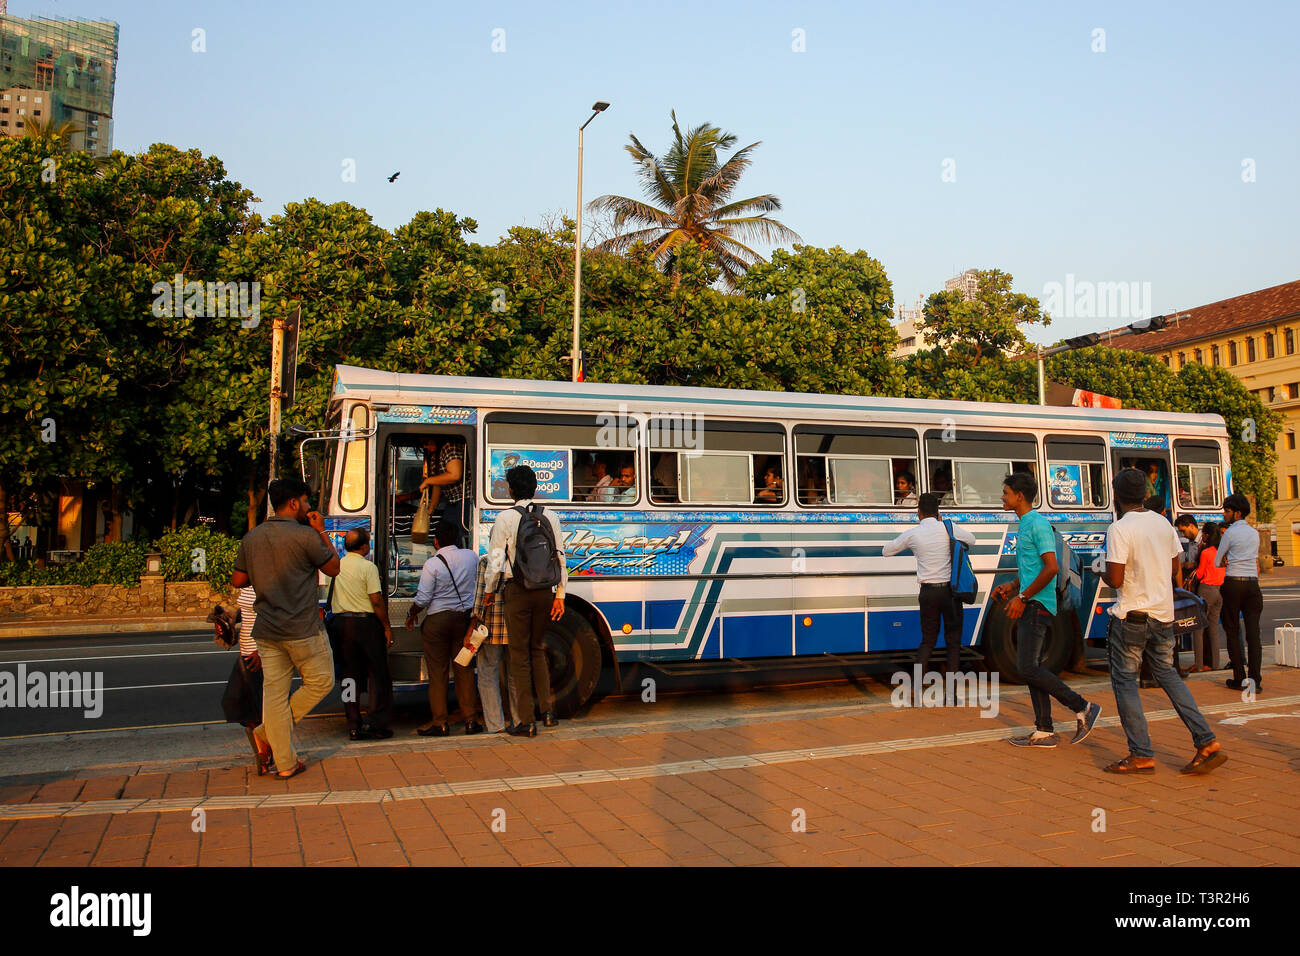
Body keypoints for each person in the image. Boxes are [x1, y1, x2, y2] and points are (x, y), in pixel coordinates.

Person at [1100, 468, 1225, 775]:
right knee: (1168, 675)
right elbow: (1173, 567)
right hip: (1163, 615)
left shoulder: (1119, 529)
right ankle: (1206, 741)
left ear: (1116, 496)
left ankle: (1141, 753)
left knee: (1126, 682)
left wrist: (1100, 570)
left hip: (1132, 616)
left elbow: (1116, 579)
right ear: (1145, 494)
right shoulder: (1163, 523)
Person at [230, 478, 340, 779]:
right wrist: (321, 530)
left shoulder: (252, 538)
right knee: (322, 681)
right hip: (303, 627)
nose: (308, 507)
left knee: (274, 695)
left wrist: (264, 571)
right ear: (293, 503)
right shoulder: (306, 536)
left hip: (267, 629)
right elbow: (333, 568)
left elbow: (239, 581)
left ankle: (285, 760)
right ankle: (267, 733)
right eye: (305, 502)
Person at [990, 472, 1102, 748]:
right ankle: (1044, 730)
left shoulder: (1037, 524)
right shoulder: (1026, 524)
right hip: (1032, 600)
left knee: (1027, 666)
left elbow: (1051, 567)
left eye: (1006, 493)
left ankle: (1084, 707)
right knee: (1032, 667)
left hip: (1039, 604)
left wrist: (1024, 597)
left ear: (1020, 496)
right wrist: (1012, 587)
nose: (1002, 498)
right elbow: (1033, 570)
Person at [485, 465, 567, 737]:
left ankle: (526, 722)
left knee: (518, 655)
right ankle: (548, 712)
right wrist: (560, 594)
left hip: (517, 591)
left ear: (510, 490)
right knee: (537, 649)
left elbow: (496, 560)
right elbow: (559, 555)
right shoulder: (550, 517)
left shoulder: (505, 518)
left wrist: (488, 590)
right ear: (535, 487)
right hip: (545, 591)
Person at [883, 492, 975, 682]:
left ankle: (917, 688)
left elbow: (886, 551)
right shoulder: (948, 528)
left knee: (928, 640)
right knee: (953, 642)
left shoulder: (913, 533)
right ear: (937, 511)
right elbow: (972, 540)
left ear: (919, 512)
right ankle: (952, 693)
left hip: (928, 594)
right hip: (951, 592)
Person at [405, 519, 482, 736]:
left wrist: (411, 614)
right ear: (457, 538)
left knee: (438, 673)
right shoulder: (471, 556)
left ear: (436, 542)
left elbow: (423, 598)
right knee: (464, 669)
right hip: (464, 621)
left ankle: (440, 722)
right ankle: (470, 720)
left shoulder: (432, 564)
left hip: (437, 622)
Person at [329, 528, 395, 740]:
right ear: (365, 547)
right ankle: (376, 722)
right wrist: (386, 626)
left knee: (349, 676)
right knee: (378, 674)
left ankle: (353, 723)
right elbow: (376, 600)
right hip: (366, 624)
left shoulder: (337, 565)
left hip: (342, 624)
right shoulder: (368, 567)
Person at [1216, 493, 1263, 692]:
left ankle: (1239, 677)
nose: (1224, 515)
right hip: (1253, 585)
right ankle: (1255, 681)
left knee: (1233, 631)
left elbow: (1218, 561)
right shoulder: (1254, 533)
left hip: (1233, 583)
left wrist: (1227, 557)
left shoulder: (1229, 533)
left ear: (1237, 513)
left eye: (1227, 511)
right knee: (1253, 634)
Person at [467, 553, 517, 734]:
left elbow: (481, 598)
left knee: (488, 675)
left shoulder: (486, 562)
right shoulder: (518, 558)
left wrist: (472, 626)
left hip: (491, 629)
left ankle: (496, 724)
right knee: (515, 676)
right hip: (515, 628)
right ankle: (519, 721)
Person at [1188, 522, 1226, 672]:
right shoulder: (1222, 551)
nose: (1201, 536)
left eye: (1203, 533)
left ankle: (1198, 664)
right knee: (1213, 629)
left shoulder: (1206, 552)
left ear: (1208, 535)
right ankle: (1215, 664)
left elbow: (1200, 574)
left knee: (1198, 628)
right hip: (1220, 591)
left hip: (1206, 590)